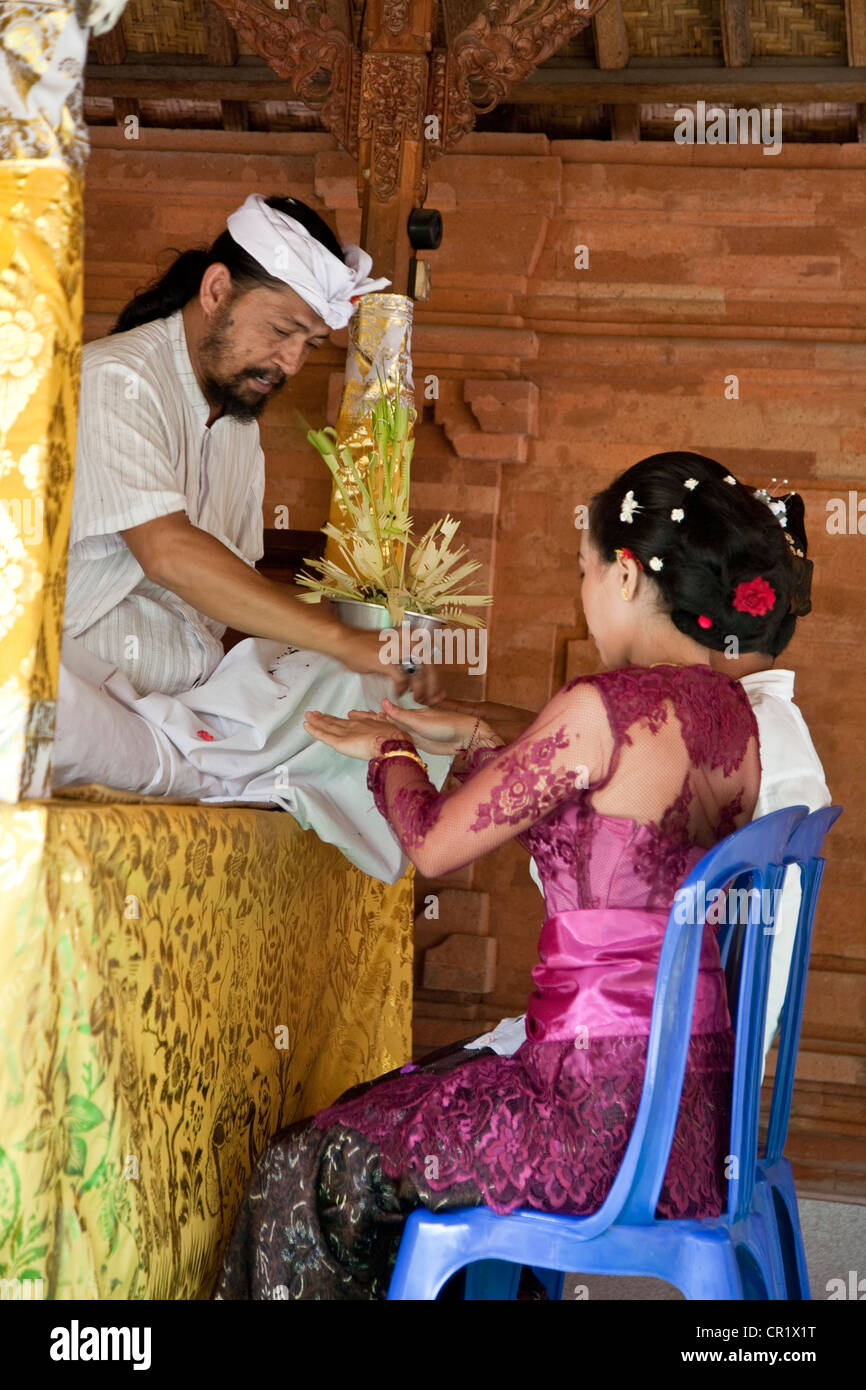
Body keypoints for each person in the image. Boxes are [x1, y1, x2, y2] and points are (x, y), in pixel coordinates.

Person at [213, 451, 801, 1300]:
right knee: (383, 1108)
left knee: (307, 1160)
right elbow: (618, 829)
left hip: (587, 1120)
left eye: (586, 571)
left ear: (628, 574)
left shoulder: (603, 705)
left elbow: (432, 843)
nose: (585, 595)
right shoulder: (730, 717)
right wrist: (477, 739)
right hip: (686, 1120)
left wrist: (391, 751)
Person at [51, 192, 454, 881]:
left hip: (189, 696)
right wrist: (338, 638)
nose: (292, 362)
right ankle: (219, 771)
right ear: (216, 289)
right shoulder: (116, 378)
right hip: (83, 681)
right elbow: (169, 551)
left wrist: (359, 662)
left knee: (384, 705)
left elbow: (225, 599)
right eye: (281, 330)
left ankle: (225, 766)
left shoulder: (238, 427)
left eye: (309, 344)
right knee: (39, 718)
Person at [447, 468, 829, 1071]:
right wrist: (486, 736)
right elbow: (607, 761)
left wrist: (399, 752)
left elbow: (596, 845)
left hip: (642, 1068)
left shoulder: (737, 733)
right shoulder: (763, 726)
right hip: (697, 1065)